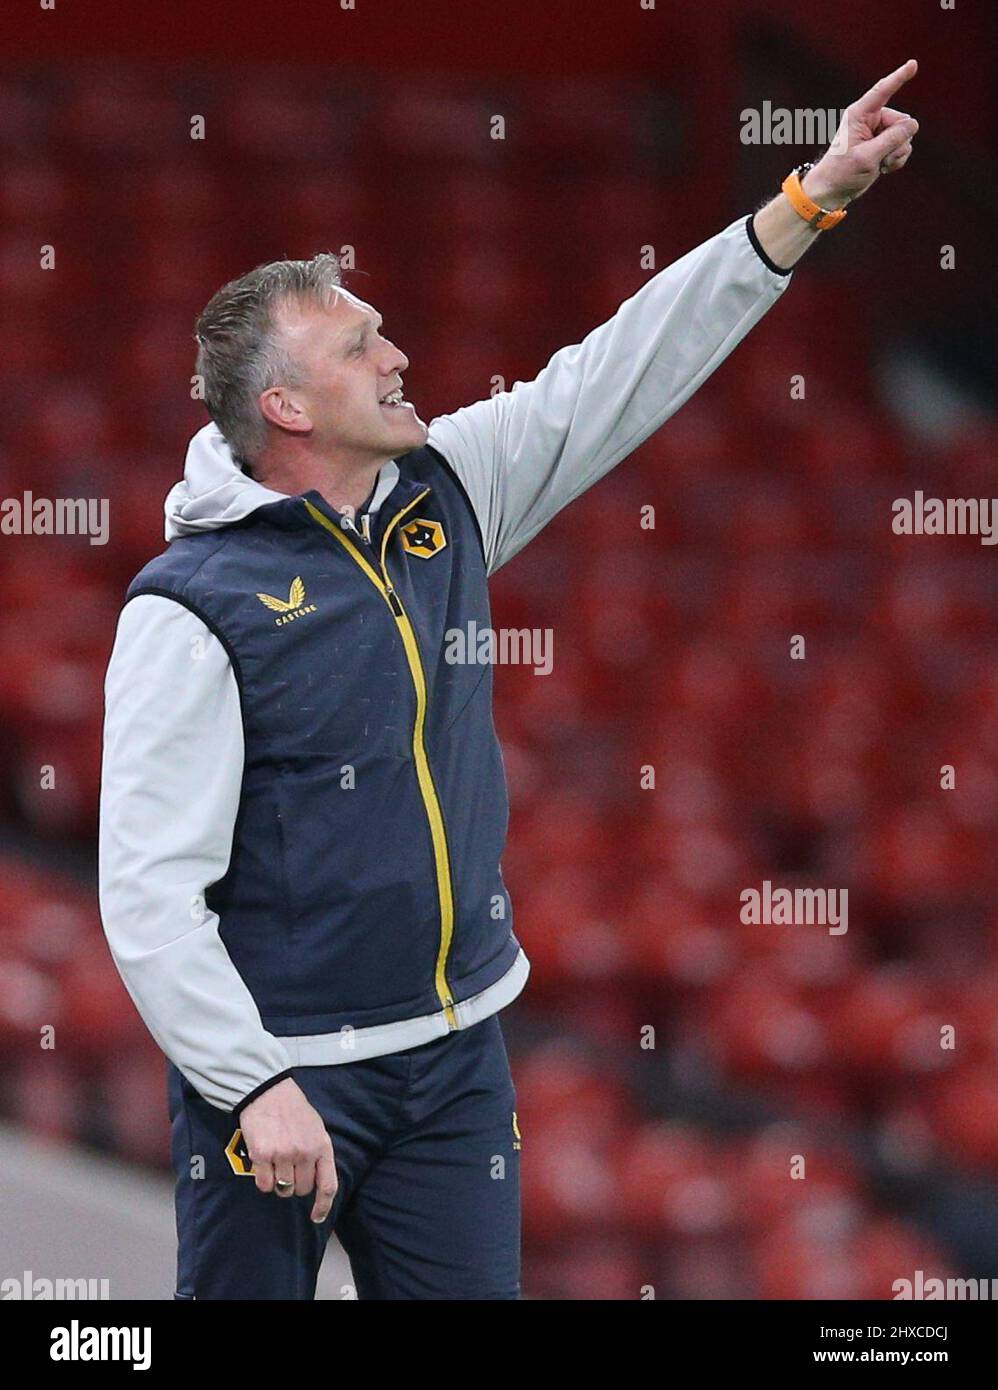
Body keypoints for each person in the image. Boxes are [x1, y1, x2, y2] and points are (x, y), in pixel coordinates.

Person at [98, 62, 919, 1300]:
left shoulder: (446, 489)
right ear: (283, 403)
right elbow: (148, 888)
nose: (399, 351)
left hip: (456, 1063)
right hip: (280, 1076)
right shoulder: (187, 606)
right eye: (361, 341)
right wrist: (250, 1080)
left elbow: (615, 373)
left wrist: (805, 201)